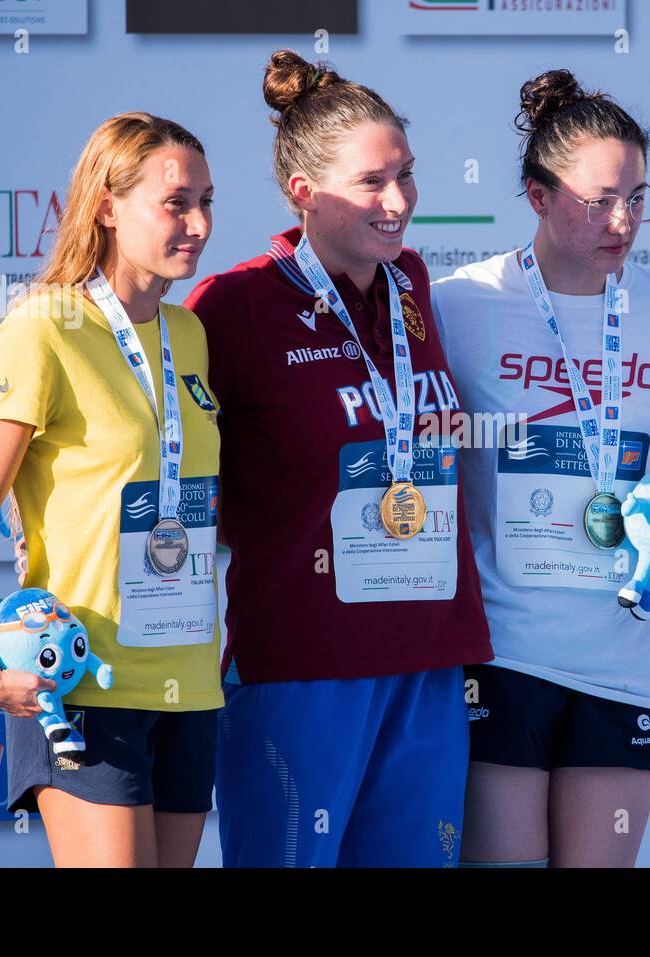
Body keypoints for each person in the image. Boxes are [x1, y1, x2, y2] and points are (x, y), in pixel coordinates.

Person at [183, 50, 492, 868]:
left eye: (407, 176)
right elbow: (159, 451)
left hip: (428, 656)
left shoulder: (412, 282)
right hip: (303, 664)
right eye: (371, 184)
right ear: (303, 194)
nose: (399, 203)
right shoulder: (234, 305)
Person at [431, 70, 650, 867]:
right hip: (501, 655)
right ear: (537, 196)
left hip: (623, 659)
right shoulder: (459, 304)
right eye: (600, 198)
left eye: (638, 197)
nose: (623, 220)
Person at [0, 112, 221, 867]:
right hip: (80, 683)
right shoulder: (44, 329)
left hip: (189, 682)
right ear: (106, 205)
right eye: (175, 202)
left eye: (207, 201)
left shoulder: (189, 334)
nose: (198, 223)